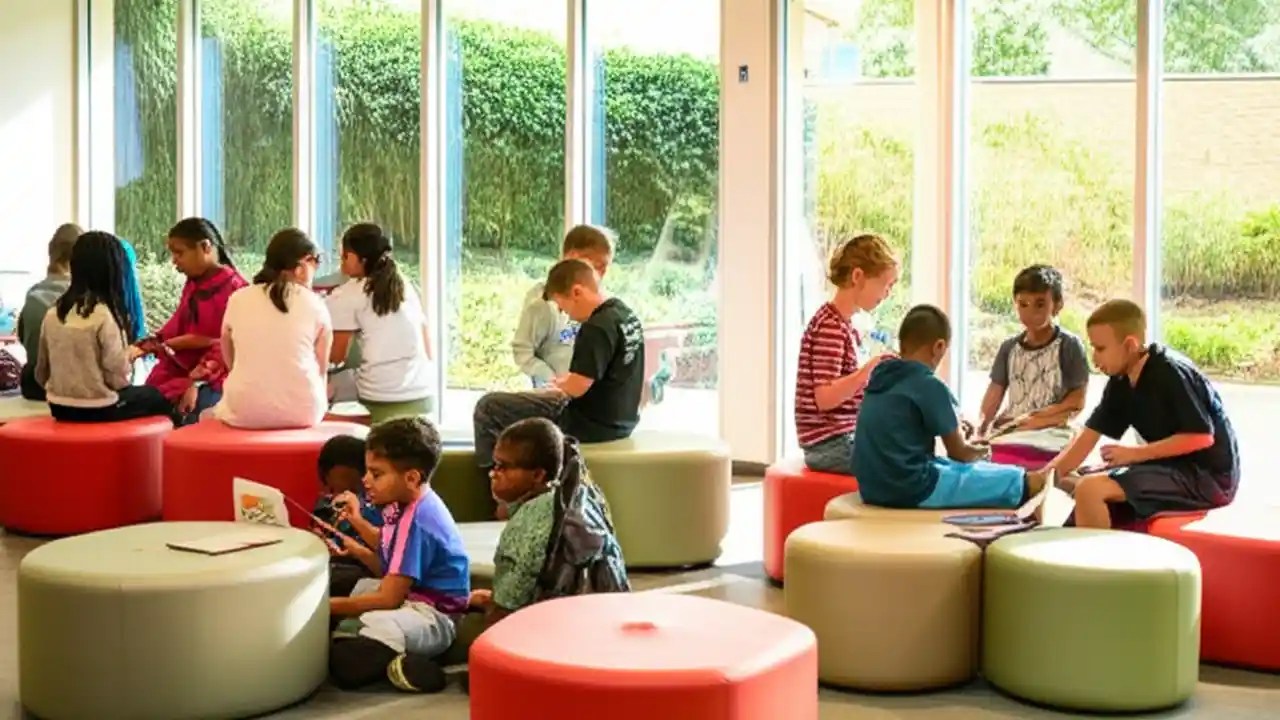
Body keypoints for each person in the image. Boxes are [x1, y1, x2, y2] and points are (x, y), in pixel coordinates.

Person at [1044, 299, 1239, 529]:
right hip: (1169, 468)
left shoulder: (1169, 372)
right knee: (1076, 479)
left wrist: (1136, 454)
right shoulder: (1120, 381)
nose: (1094, 359)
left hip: (1207, 478)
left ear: (1130, 345)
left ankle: (1094, 563)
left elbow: (1201, 436)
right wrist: (1044, 477)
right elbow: (1089, 436)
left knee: (1090, 488)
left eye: (1101, 349)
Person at [852, 304, 1054, 509]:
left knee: (944, 466)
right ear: (938, 346)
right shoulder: (928, 384)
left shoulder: (881, 378)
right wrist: (983, 451)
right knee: (1018, 479)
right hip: (911, 488)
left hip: (872, 489)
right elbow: (959, 453)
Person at [325, 417, 469, 694]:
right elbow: (388, 551)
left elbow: (389, 598)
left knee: (345, 663)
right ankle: (374, 647)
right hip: (409, 596)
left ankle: (416, 665)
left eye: (376, 474)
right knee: (344, 581)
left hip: (432, 615)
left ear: (411, 477)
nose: (366, 480)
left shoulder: (418, 520)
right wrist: (356, 524)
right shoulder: (404, 503)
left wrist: (321, 608)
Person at [473, 259, 644, 481]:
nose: (567, 316)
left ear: (576, 292)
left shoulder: (595, 328)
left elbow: (577, 388)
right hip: (623, 419)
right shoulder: (625, 315)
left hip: (589, 423)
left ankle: (496, 489)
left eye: (563, 307)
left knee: (488, 407)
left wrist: (558, 383)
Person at [469, 418, 627, 627]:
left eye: (503, 467)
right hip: (604, 621)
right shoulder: (580, 494)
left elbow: (505, 611)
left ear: (537, 475)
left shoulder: (528, 523)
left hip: (555, 635)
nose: (493, 474)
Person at [35, 232, 172, 422]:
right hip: (99, 409)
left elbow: (41, 372)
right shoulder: (104, 315)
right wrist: (130, 355)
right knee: (156, 396)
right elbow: (118, 380)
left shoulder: (53, 313)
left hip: (58, 407)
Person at [794, 234, 900, 475]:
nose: (887, 294)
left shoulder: (842, 324)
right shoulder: (830, 327)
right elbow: (825, 397)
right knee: (899, 462)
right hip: (829, 445)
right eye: (886, 285)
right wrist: (866, 372)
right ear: (858, 277)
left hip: (839, 439)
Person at [131, 218, 247, 425]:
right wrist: (145, 346)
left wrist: (197, 381)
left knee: (192, 410)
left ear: (205, 247)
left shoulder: (237, 290)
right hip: (183, 371)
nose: (175, 261)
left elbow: (232, 346)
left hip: (216, 375)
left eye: (179, 253)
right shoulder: (193, 285)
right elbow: (176, 326)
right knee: (142, 402)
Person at [212, 228, 331, 429]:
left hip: (243, 411)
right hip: (305, 412)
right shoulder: (315, 303)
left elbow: (229, 356)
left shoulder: (239, 298)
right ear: (301, 266)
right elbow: (321, 368)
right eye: (315, 261)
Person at [977, 265, 1090, 459]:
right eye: (1023, 304)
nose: (1031, 312)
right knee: (988, 461)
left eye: (1040, 304)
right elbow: (994, 394)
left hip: (1053, 428)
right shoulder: (1009, 348)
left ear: (1057, 305)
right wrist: (981, 428)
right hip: (1013, 427)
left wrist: (1037, 418)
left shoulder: (1068, 345)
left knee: (1034, 461)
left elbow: (1077, 401)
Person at [325, 223, 434, 424]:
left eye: (344, 255)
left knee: (331, 390)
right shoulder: (404, 284)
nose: (341, 262)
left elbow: (334, 356)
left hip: (381, 398)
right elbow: (428, 348)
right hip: (423, 394)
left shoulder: (348, 294)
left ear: (358, 258)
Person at [512, 225, 615, 387]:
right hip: (557, 392)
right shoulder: (542, 302)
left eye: (605, 269)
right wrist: (551, 380)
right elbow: (523, 352)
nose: (600, 275)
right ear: (572, 257)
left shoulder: (604, 303)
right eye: (597, 266)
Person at [315, 434, 385, 598]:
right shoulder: (326, 504)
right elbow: (324, 536)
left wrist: (355, 549)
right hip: (335, 564)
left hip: (361, 570)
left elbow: (385, 557)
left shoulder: (376, 507)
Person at [17, 223, 80, 400]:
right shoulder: (86, 297)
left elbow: (24, 337)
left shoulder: (32, 294)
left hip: (36, 387)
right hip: (72, 386)